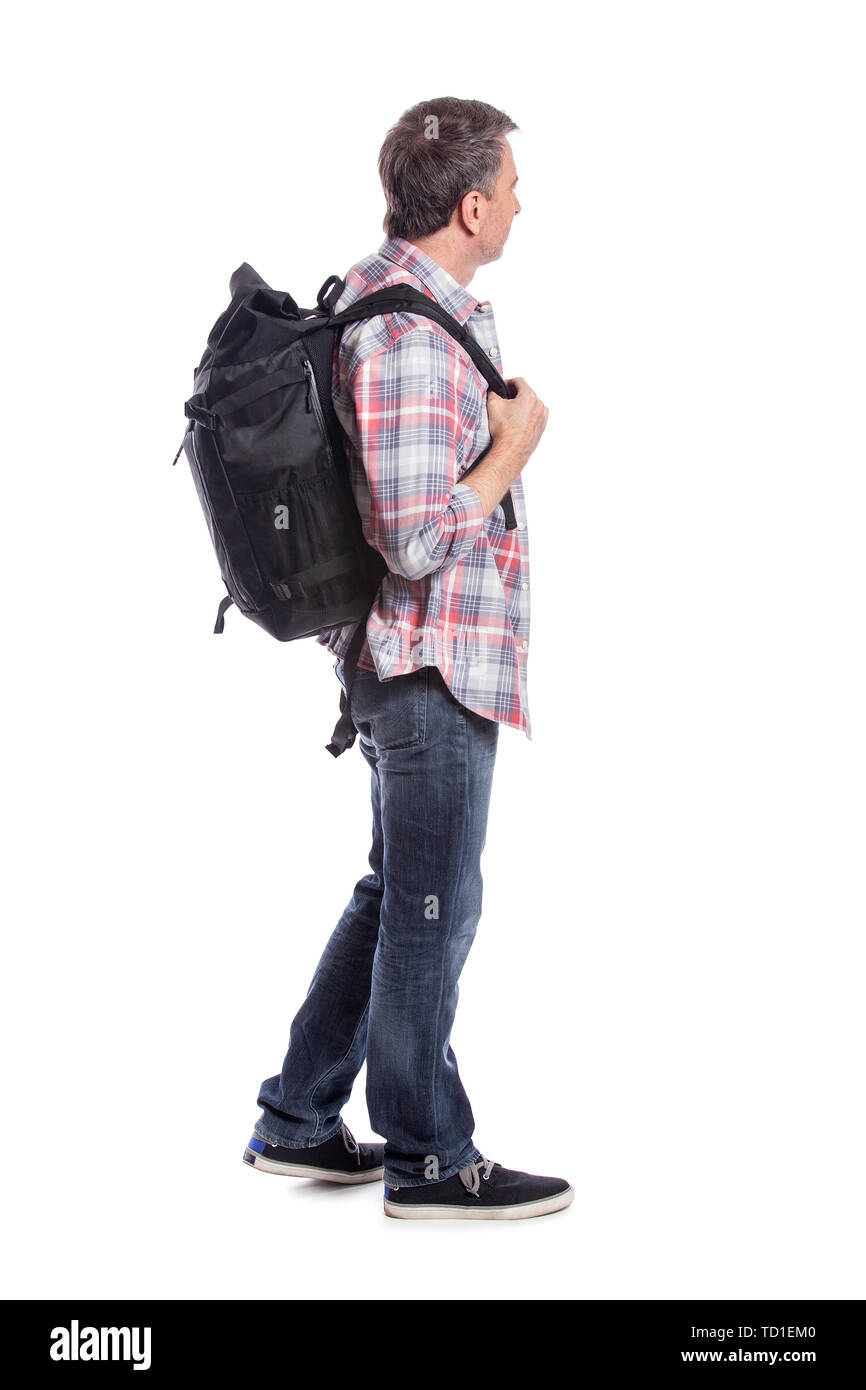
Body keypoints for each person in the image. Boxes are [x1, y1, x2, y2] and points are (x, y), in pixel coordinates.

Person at [244, 97, 572, 1220]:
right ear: (473, 205)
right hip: (426, 669)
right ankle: (427, 1154)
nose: (521, 202)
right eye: (513, 186)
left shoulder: (396, 306)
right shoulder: (403, 335)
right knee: (437, 903)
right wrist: (512, 450)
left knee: (399, 892)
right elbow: (414, 536)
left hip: (415, 665)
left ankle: (296, 1116)